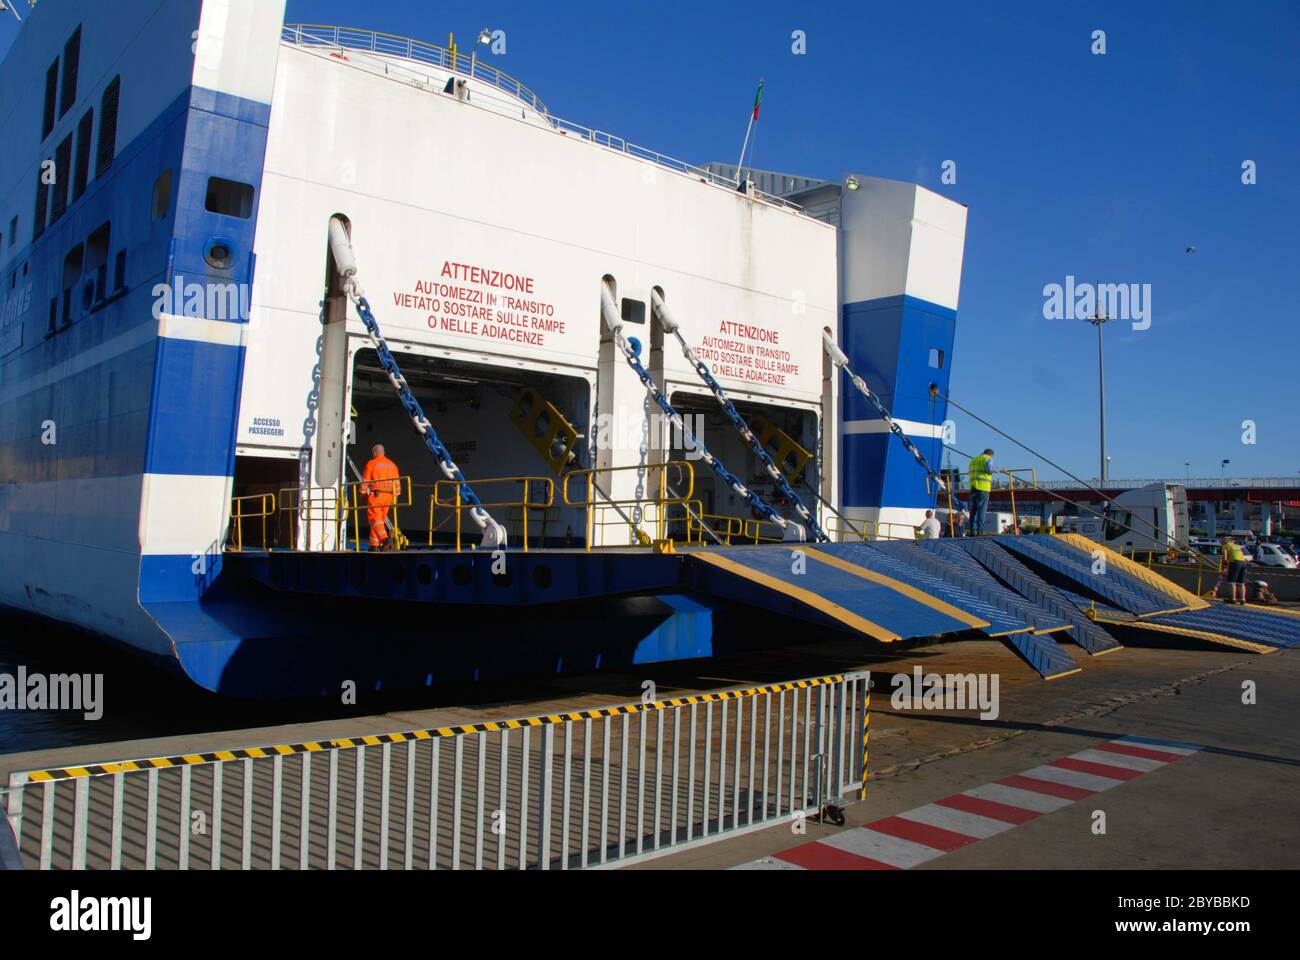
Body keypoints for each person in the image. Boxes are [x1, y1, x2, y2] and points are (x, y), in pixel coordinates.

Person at [361, 443, 401, 551]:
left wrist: (363, 493)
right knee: (379, 522)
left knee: (374, 519)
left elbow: (365, 481)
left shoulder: (371, 463)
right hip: (388, 497)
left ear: (374, 453)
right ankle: (374, 545)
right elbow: (397, 484)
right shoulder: (392, 465)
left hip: (376, 495)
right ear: (384, 453)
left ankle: (385, 539)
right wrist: (395, 499)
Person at [966, 448, 994, 536]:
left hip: (973, 487)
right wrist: (1001, 470)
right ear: (991, 454)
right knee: (981, 510)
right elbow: (989, 469)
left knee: (973, 510)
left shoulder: (973, 460)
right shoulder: (988, 459)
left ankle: (972, 531)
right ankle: (980, 531)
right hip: (983, 487)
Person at [1220, 534, 1248, 605]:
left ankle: (1233, 599)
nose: (1221, 542)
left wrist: (1223, 569)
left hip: (1235, 563)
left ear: (1224, 541)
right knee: (1240, 582)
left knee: (1231, 582)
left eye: (1222, 541)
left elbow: (1225, 558)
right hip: (1243, 563)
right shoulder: (1236, 546)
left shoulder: (1225, 546)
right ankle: (1243, 600)